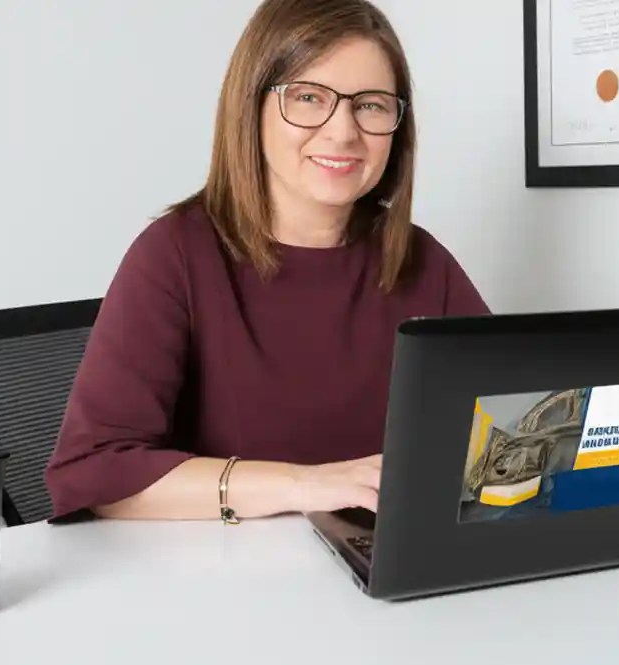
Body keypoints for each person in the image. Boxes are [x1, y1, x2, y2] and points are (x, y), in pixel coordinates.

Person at [44, 0, 488, 522]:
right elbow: (93, 472)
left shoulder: (422, 260)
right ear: (250, 107)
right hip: (224, 583)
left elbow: (505, 428)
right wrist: (304, 485)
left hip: (380, 574)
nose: (343, 132)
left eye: (370, 105)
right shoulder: (174, 254)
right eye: (307, 97)